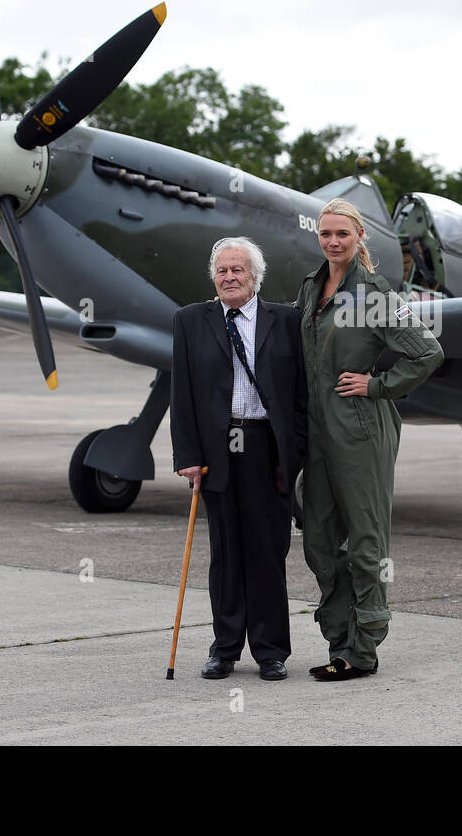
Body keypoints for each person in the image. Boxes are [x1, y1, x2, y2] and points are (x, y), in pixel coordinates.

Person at [297, 199, 444, 681]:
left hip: (360, 429)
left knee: (364, 543)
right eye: (325, 234)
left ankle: (362, 649)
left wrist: (376, 385)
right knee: (318, 540)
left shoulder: (376, 294)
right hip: (319, 431)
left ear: (360, 237)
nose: (333, 242)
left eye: (342, 233)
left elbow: (426, 352)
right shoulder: (312, 288)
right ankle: (339, 638)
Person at [171, 237, 306, 681]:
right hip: (218, 449)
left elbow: (301, 394)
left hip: (268, 447)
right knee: (225, 554)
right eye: (222, 270)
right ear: (214, 276)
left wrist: (298, 448)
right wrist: (187, 455)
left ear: (255, 278)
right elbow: (182, 394)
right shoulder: (190, 321)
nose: (229, 277)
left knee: (268, 551)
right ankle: (225, 648)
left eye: (238, 270)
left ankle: (271, 651)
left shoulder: (286, 319)